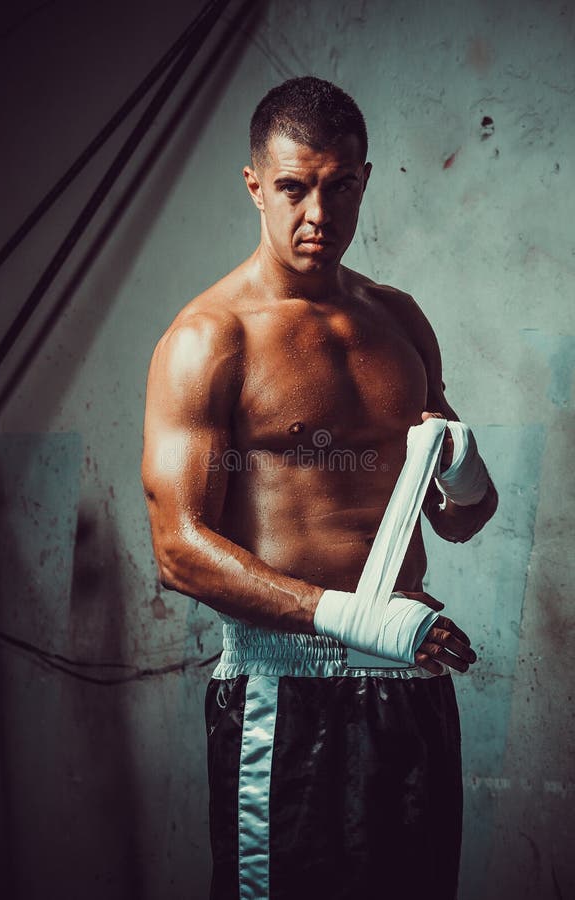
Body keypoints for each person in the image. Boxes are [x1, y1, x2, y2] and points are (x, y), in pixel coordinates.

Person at [141, 76, 498, 900]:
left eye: (340, 188)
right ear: (255, 186)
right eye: (296, 188)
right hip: (281, 688)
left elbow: (458, 522)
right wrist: (351, 617)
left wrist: (467, 473)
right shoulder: (209, 338)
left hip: (409, 676)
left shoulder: (399, 321)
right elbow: (177, 552)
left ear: (364, 181)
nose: (318, 215)